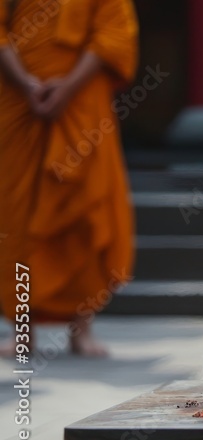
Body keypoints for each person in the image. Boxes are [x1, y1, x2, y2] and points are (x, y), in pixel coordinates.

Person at [0, 0, 139, 357]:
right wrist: (27, 83)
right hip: (17, 99)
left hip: (82, 98)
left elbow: (112, 34)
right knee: (18, 215)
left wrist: (67, 88)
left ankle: (81, 328)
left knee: (82, 209)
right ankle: (22, 331)